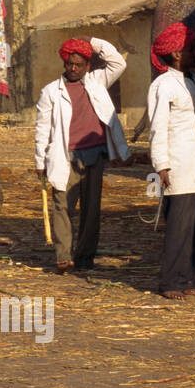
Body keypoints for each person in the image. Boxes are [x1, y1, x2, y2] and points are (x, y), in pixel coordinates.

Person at [34, 36, 130, 274]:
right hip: (65, 155)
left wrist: (92, 41)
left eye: (79, 64)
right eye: (70, 64)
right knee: (62, 205)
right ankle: (63, 256)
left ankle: (85, 258)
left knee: (91, 209)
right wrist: (39, 160)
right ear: (64, 63)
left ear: (88, 65)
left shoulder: (98, 81)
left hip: (95, 153)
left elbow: (118, 62)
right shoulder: (50, 92)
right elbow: (42, 129)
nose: (73, 69)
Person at [148, 22, 195, 300]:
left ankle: (187, 277)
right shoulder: (163, 86)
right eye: (190, 49)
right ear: (175, 54)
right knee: (179, 227)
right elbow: (157, 127)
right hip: (178, 165)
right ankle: (170, 282)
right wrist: (160, 165)